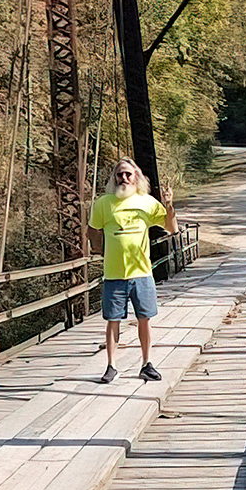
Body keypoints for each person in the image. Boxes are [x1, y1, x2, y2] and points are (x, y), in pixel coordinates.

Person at [88, 157, 178, 384]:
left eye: (129, 174)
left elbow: (171, 228)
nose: (124, 178)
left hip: (141, 272)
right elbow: (92, 232)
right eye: (120, 174)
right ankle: (111, 366)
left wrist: (168, 205)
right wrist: (101, 251)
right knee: (112, 320)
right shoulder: (103, 203)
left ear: (136, 178)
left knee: (144, 319)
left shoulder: (147, 202)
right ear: (114, 178)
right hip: (114, 274)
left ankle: (146, 364)